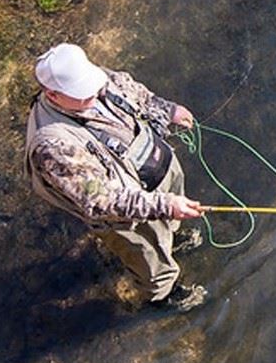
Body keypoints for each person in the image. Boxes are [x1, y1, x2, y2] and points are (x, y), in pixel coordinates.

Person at [24, 42, 209, 312]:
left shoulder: (93, 81)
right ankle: (162, 297)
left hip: (156, 171)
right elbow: (101, 200)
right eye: (84, 95)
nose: (96, 94)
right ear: (53, 96)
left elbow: (135, 93)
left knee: (169, 226)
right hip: (126, 215)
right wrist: (164, 205)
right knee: (150, 262)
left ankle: (171, 239)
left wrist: (168, 110)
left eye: (93, 86)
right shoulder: (52, 147)